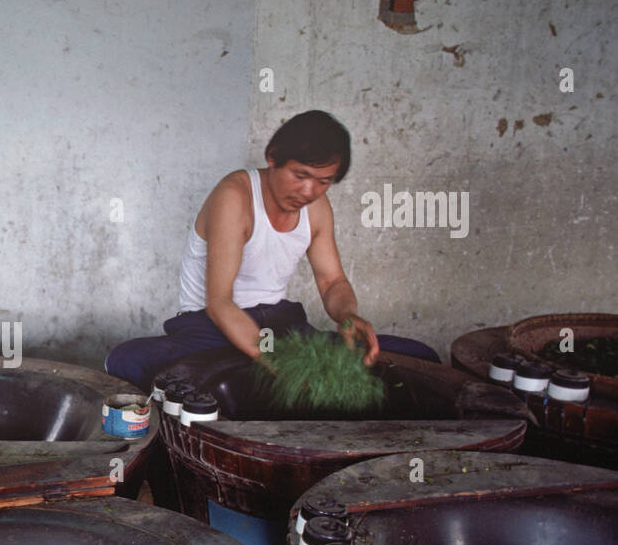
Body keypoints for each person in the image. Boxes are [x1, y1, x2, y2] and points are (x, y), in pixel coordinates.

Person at [105, 110, 438, 390]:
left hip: (280, 324)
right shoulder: (235, 196)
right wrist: (280, 361)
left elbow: (332, 281)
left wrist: (349, 316)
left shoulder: (317, 207)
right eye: (300, 175)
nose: (309, 191)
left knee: (418, 356)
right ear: (273, 157)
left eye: (323, 181)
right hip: (209, 327)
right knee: (127, 360)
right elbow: (220, 303)